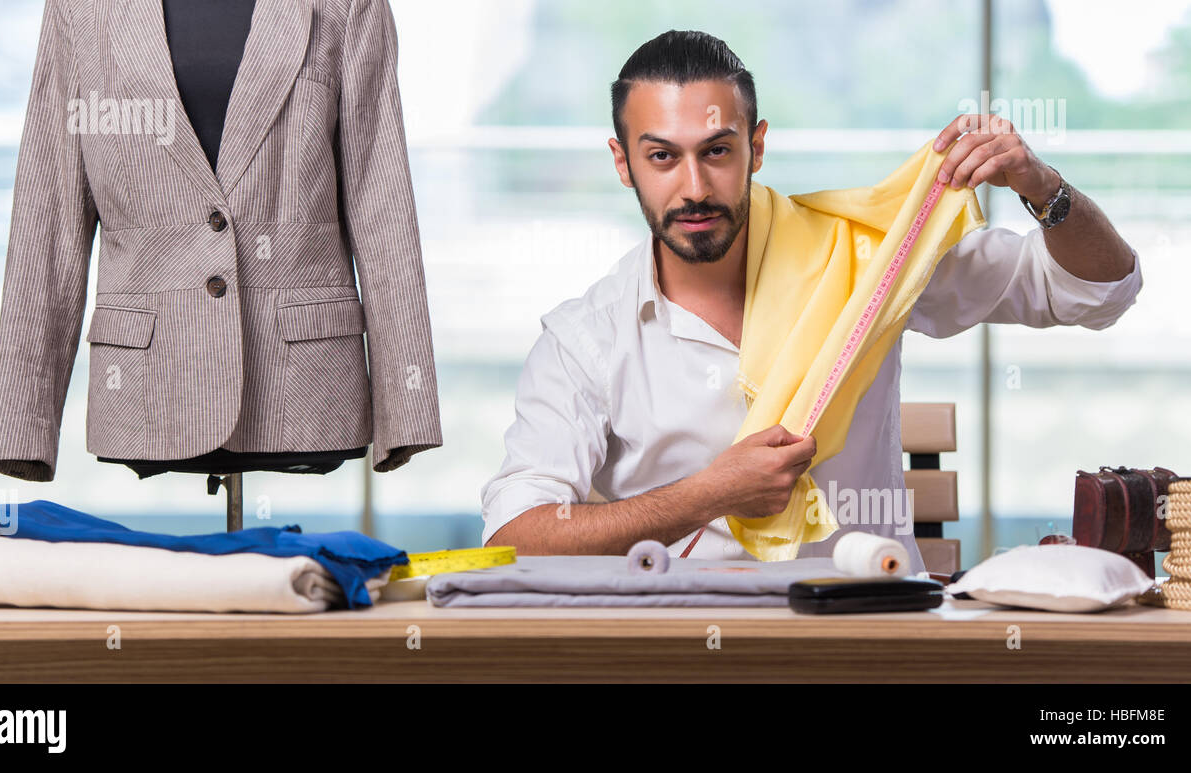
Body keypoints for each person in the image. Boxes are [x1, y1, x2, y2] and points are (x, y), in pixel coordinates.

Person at [481, 30, 1142, 571]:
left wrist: (1041, 185)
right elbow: (516, 535)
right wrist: (707, 493)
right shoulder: (586, 338)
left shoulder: (863, 257)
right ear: (623, 163)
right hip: (680, 650)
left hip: (867, 643)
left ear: (756, 146)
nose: (694, 186)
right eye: (662, 157)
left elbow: (1098, 291)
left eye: (717, 151)